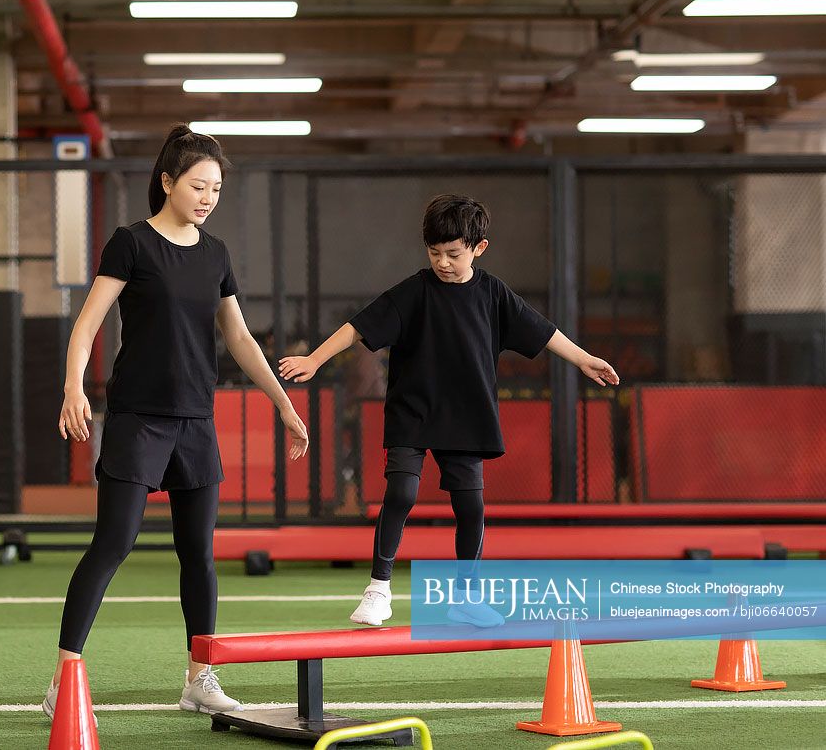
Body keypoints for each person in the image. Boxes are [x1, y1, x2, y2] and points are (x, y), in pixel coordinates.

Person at [47, 124, 310, 718]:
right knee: (112, 543)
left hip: (196, 420)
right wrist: (72, 387)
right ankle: (65, 675)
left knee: (199, 553)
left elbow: (239, 338)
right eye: (198, 185)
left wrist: (284, 405)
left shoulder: (216, 254)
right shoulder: (131, 244)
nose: (207, 197)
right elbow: (87, 323)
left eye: (216, 188)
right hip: (138, 418)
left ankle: (201, 677)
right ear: (167, 183)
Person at [278, 194, 618, 628]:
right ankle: (378, 589)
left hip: (466, 413)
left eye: (453, 254)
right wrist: (314, 360)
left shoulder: (493, 294)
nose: (443, 262)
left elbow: (543, 331)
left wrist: (584, 358)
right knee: (400, 493)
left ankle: (467, 595)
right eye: (435, 253)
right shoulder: (414, 291)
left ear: (479, 248)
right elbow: (358, 328)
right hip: (412, 412)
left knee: (471, 506)